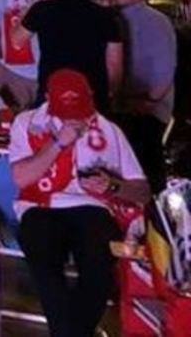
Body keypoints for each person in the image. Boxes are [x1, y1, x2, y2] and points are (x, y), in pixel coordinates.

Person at [9, 69, 149, 337]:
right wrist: (58, 144)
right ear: (48, 99)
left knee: (99, 268)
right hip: (41, 206)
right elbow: (21, 178)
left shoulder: (110, 131)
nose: (74, 117)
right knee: (44, 258)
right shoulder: (27, 124)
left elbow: (142, 192)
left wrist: (112, 185)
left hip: (93, 207)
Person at [14, 0, 123, 115]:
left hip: (52, 89)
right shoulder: (107, 16)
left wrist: (24, 14)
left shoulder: (42, 9)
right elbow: (114, 65)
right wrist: (110, 93)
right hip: (92, 92)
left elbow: (17, 41)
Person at [109, 0, 177, 193]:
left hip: (146, 104)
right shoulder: (114, 19)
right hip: (122, 101)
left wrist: (152, 100)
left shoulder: (155, 21)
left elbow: (165, 64)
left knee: (146, 158)